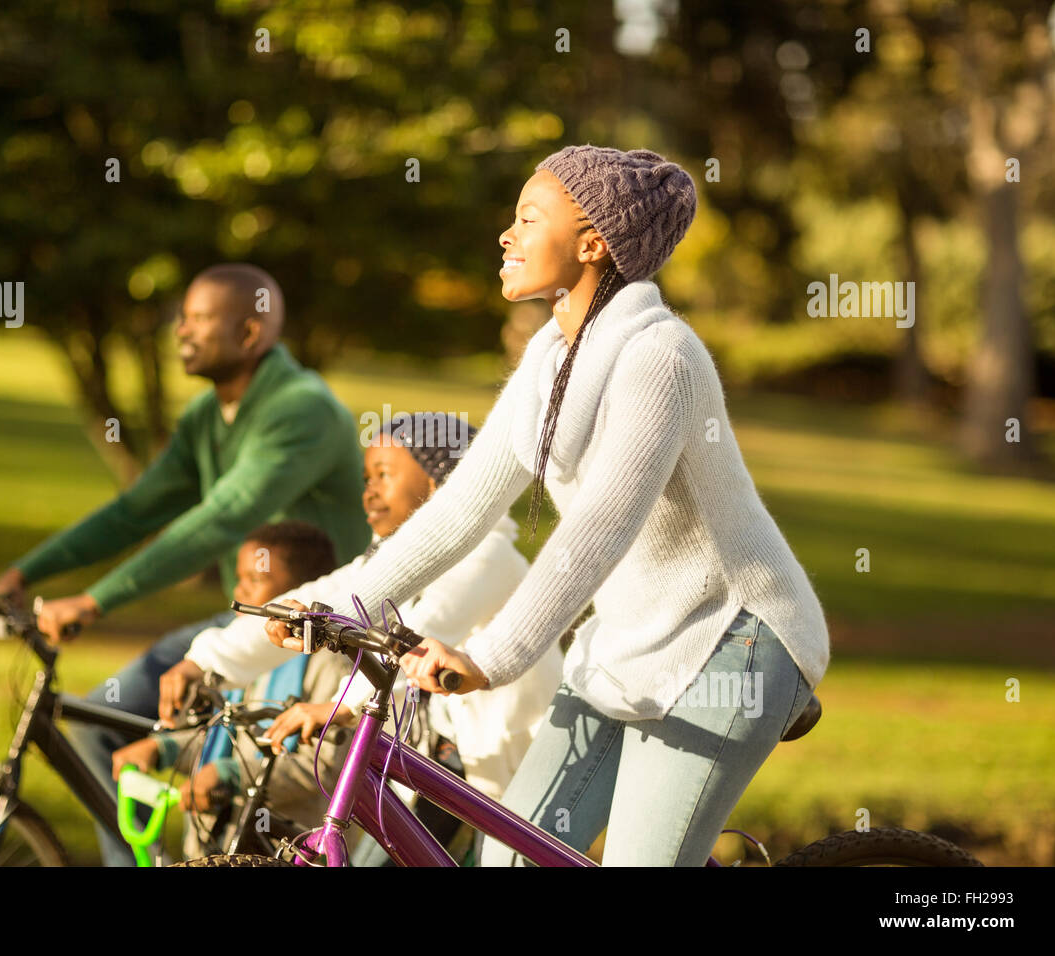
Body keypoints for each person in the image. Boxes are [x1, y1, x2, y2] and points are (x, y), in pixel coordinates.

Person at [265, 146, 832, 867]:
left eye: (528, 217)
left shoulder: (661, 357)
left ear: (593, 242)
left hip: (735, 640)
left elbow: (600, 528)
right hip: (631, 642)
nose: (506, 234)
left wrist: (489, 657)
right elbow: (457, 511)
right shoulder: (546, 360)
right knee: (509, 857)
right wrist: (331, 605)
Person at [0, 263, 370, 866]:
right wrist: (26, 572)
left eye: (201, 318)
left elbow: (222, 517)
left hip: (315, 634)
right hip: (250, 615)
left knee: (243, 763)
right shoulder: (208, 418)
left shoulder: (301, 409)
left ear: (249, 333)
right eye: (181, 316)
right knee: (100, 721)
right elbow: (136, 511)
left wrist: (94, 601)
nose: (181, 330)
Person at [164, 414, 562, 862]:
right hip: (423, 769)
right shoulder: (388, 559)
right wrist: (205, 662)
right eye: (366, 477)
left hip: (492, 770)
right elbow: (319, 596)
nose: (368, 490)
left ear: (441, 485)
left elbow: (426, 628)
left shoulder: (487, 554)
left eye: (385, 475)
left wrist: (341, 706)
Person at [109, 522, 358, 859]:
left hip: (289, 848)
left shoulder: (329, 666)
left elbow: (324, 770)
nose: (241, 593)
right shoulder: (239, 660)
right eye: (239, 579)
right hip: (220, 843)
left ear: (302, 593)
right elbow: (223, 732)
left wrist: (230, 776)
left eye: (256, 581)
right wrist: (163, 748)